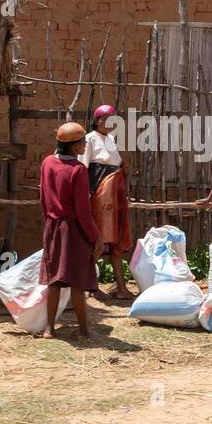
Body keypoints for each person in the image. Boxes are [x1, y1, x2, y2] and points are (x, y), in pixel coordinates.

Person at [39, 122, 102, 340]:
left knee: (54, 281)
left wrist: (49, 223)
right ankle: (83, 330)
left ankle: (49, 329)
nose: (85, 144)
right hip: (73, 230)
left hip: (52, 226)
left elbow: (43, 199)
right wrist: (95, 237)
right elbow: (83, 211)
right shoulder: (78, 170)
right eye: (83, 141)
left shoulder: (47, 163)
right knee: (77, 281)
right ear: (75, 147)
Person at [80, 104, 134, 299]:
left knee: (115, 239)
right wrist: (85, 196)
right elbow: (83, 169)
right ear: (96, 120)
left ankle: (121, 288)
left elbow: (115, 163)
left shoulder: (111, 139)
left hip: (114, 195)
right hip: (98, 196)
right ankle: (92, 287)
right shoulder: (89, 139)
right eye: (105, 119)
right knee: (97, 239)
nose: (109, 123)